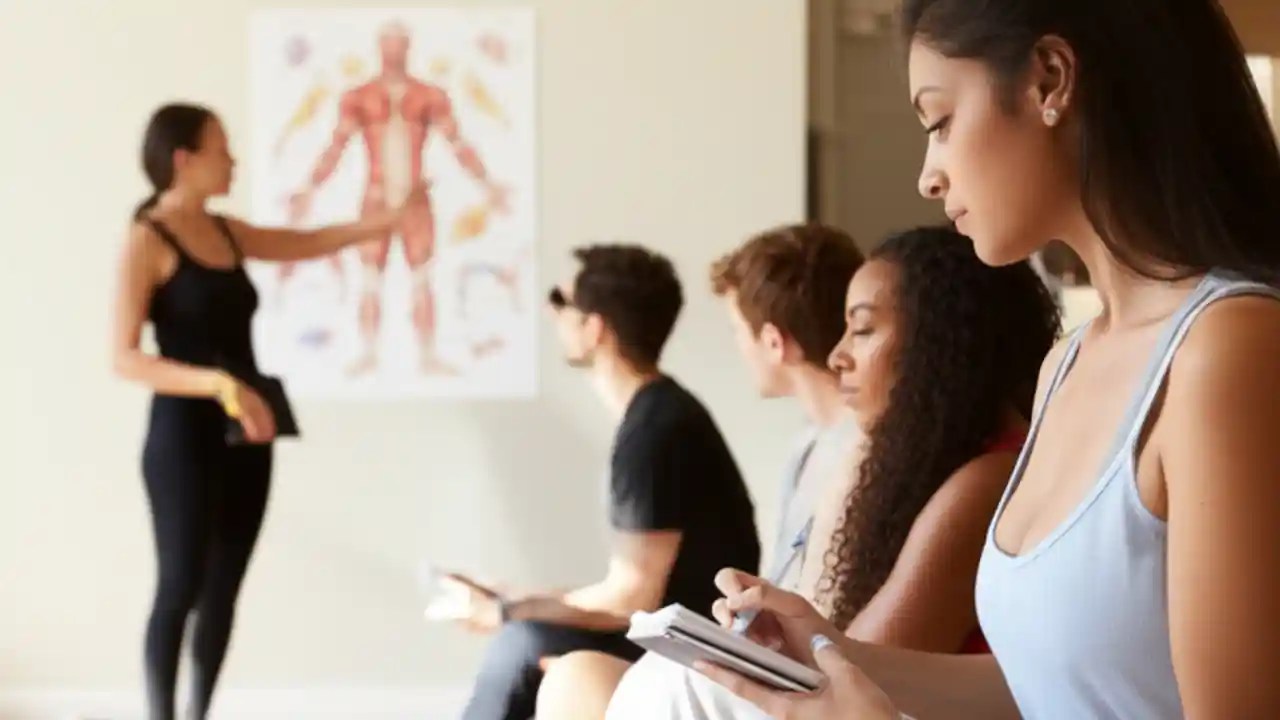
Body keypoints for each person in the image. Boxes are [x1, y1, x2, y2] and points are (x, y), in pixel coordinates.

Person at [698, 0, 1280, 717]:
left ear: (1049, 81)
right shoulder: (1063, 367)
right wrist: (829, 653)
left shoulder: (1226, 350)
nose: (928, 177)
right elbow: (1045, 686)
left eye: (939, 123)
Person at [111, 104, 420, 720]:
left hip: (248, 432)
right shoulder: (148, 238)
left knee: (224, 588)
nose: (234, 160)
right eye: (223, 149)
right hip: (183, 436)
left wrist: (388, 220)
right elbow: (124, 359)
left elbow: (306, 242)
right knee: (180, 587)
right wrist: (219, 383)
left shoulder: (227, 233)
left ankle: (198, 714)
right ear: (185, 159)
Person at [534, 223, 867, 720]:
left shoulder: (861, 452)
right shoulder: (805, 448)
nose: (738, 347)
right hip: (771, 649)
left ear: (773, 342)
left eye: (737, 331)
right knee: (567, 673)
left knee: (557, 666)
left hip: (808, 671)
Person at [450, 244, 761, 720]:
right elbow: (630, 588)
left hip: (688, 648)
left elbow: (631, 599)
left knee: (519, 642)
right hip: (673, 631)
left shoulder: (655, 432)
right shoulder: (659, 414)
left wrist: (510, 613)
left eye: (561, 300)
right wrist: (522, 599)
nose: (552, 313)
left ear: (594, 328)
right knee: (523, 632)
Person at [289, 20, 509, 376]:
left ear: (408, 48)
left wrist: (488, 186)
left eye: (399, 44)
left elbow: (458, 144)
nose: (393, 51)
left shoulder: (429, 97)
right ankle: (369, 353)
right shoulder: (358, 97)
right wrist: (310, 189)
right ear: (379, 48)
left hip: (414, 201)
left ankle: (426, 356)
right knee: (370, 280)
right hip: (376, 200)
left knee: (421, 278)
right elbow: (336, 146)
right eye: (387, 44)